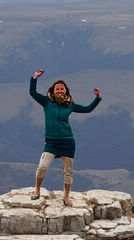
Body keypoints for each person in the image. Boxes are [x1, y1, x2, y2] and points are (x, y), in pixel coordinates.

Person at [29, 69, 101, 205]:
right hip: (51, 142)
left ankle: (66, 197)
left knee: (67, 172)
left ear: (66, 91)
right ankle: (37, 190)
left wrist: (97, 98)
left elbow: (87, 109)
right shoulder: (46, 102)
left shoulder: (69, 104)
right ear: (53, 90)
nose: (59, 91)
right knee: (42, 166)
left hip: (67, 142)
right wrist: (35, 78)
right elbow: (32, 93)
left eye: (62, 89)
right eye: (57, 89)